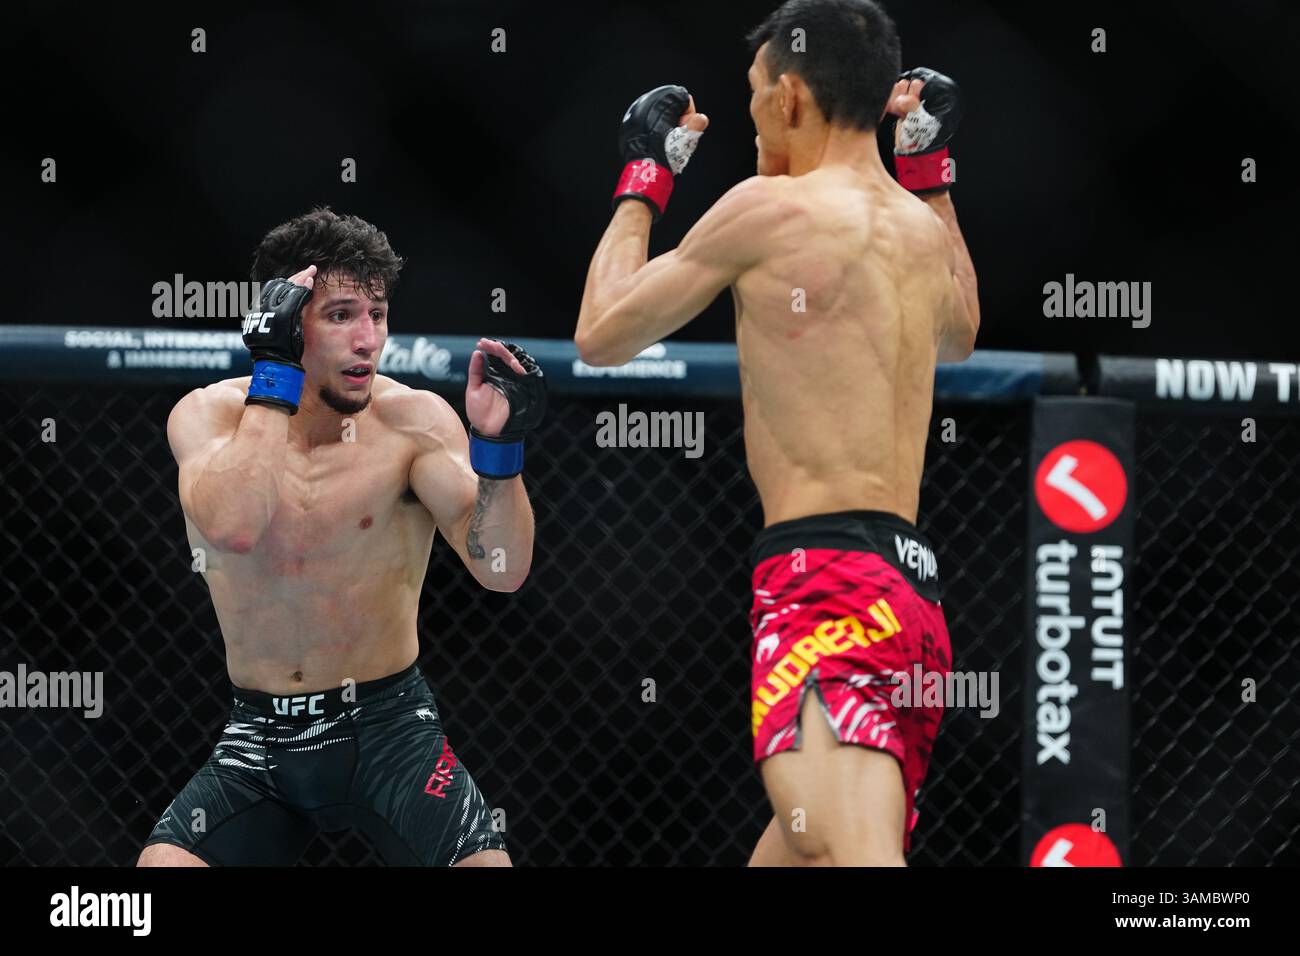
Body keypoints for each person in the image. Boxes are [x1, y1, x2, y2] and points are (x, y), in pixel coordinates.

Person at [575, 0, 978, 865]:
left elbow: (601, 333)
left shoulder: (767, 209)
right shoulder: (917, 229)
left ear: (791, 95)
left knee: (855, 858)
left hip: (826, 590)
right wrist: (931, 171)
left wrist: (643, 179)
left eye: (755, 93)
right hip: (909, 600)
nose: (749, 110)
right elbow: (961, 331)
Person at [139, 208, 546, 866]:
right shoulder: (207, 416)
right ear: (284, 319)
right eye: (341, 315)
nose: (368, 339)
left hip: (390, 733)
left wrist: (502, 453)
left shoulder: (415, 421)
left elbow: (502, 568)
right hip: (256, 742)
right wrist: (275, 373)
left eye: (377, 314)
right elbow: (236, 526)